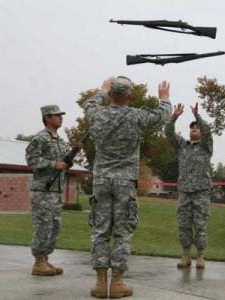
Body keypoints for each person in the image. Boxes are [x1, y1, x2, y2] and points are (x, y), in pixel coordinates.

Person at [83, 76, 172, 298]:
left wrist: (101, 90)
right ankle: (118, 283)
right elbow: (162, 115)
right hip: (125, 182)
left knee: (100, 231)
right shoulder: (136, 116)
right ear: (130, 96)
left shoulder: (98, 115)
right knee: (122, 232)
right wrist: (164, 99)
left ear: (111, 94)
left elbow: (89, 105)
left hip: (102, 180)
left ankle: (100, 283)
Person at [164, 102, 213, 269]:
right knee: (184, 225)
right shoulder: (181, 146)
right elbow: (168, 132)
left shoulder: (206, 147)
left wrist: (197, 116)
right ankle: (185, 256)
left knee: (200, 225)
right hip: (185, 191)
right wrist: (174, 116)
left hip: (201, 192)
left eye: (197, 128)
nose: (194, 129)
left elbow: (208, 131)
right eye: (192, 128)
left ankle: (200, 256)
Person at [26, 105, 69, 276]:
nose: (61, 118)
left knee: (55, 226)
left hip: (56, 190)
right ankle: (38, 261)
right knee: (43, 225)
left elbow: (65, 163)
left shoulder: (60, 140)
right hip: (43, 190)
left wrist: (73, 153)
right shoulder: (40, 138)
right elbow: (31, 160)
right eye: (57, 115)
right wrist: (53, 164)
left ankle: (45, 259)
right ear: (47, 118)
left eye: (61, 115)